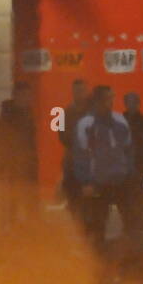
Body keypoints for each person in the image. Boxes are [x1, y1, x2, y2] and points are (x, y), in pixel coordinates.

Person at [72, 85, 133, 252]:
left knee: (132, 221)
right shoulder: (86, 123)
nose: (111, 102)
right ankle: (96, 261)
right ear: (98, 101)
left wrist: (130, 174)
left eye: (112, 98)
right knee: (97, 225)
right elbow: (80, 155)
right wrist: (86, 182)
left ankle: (129, 257)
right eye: (108, 98)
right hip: (98, 181)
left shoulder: (120, 120)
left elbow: (128, 149)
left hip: (120, 180)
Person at [0, 80, 39, 224]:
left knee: (29, 199)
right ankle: (14, 230)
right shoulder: (8, 116)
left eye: (28, 95)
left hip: (29, 165)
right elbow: (0, 141)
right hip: (13, 166)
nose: (27, 99)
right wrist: (6, 162)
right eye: (23, 95)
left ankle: (29, 228)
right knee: (13, 201)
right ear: (16, 96)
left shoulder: (29, 113)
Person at [122, 91, 143, 234]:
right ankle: (128, 227)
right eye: (130, 102)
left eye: (135, 102)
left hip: (139, 168)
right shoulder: (120, 121)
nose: (132, 105)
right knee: (124, 201)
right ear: (126, 104)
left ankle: (140, 228)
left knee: (139, 200)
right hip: (123, 170)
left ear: (138, 104)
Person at [59, 78, 91, 228]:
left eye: (82, 90)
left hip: (90, 166)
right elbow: (61, 136)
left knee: (91, 205)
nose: (79, 94)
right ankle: (78, 232)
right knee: (73, 201)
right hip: (72, 164)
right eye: (76, 91)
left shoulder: (94, 112)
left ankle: (90, 237)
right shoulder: (66, 113)